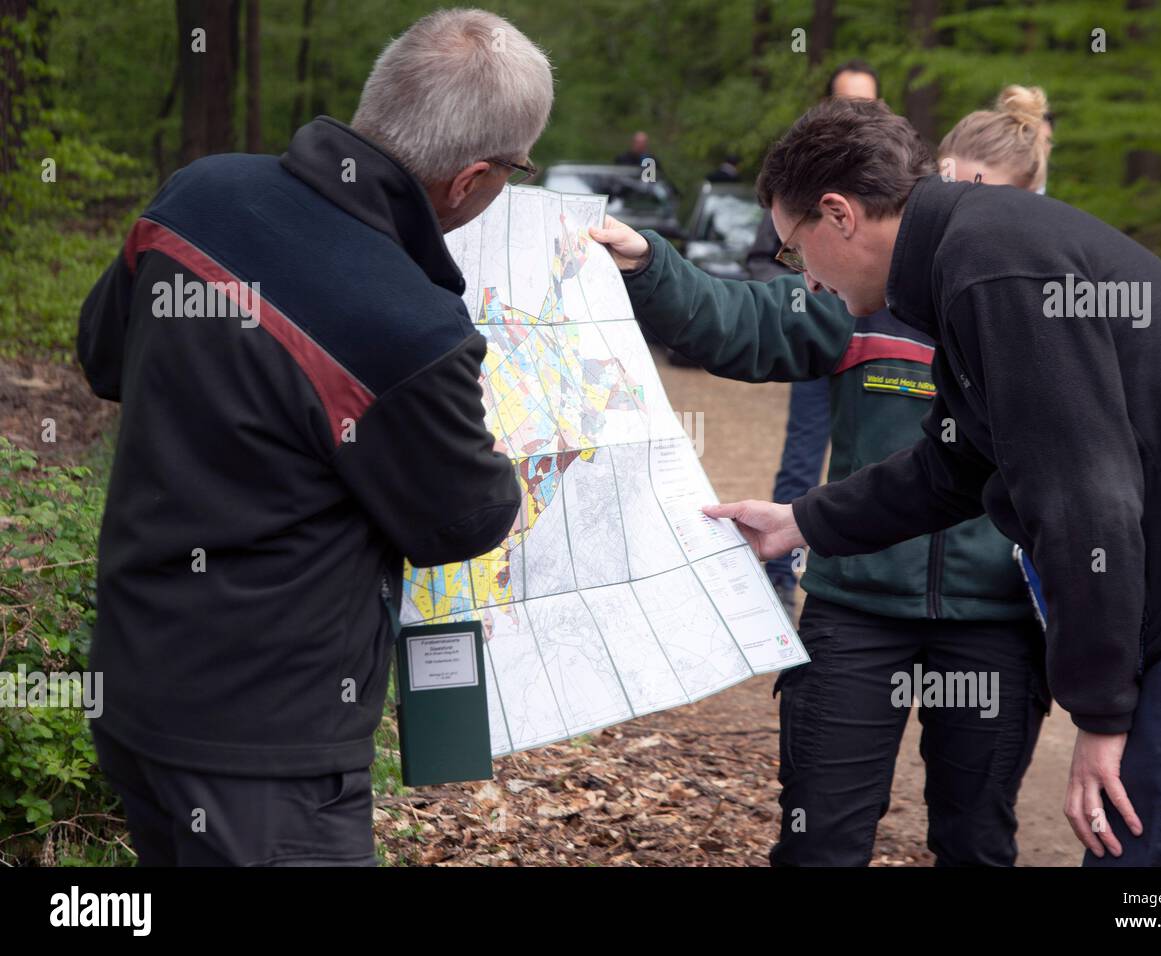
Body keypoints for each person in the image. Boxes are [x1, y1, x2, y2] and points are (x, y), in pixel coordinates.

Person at [697, 96, 1161, 867]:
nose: (805, 280)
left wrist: (1102, 715)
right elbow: (955, 461)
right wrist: (803, 522)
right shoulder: (967, 254)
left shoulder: (992, 266)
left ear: (839, 215)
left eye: (793, 252)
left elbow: (1086, 502)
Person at [76, 8, 552, 866]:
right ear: (470, 178)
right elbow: (462, 522)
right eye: (516, 171)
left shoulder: (197, 193)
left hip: (132, 684)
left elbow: (104, 358)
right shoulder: (412, 328)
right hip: (268, 758)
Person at [590, 86, 1058, 867]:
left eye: (992, 200)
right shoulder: (864, 291)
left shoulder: (1041, 300)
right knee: (821, 839)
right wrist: (648, 265)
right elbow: (744, 322)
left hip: (995, 621)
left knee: (976, 840)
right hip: (857, 610)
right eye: (954, 188)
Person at [754, 59, 881, 615]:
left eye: (869, 104)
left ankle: (861, 575)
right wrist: (810, 294)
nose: (859, 112)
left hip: (876, 349)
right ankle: (780, 575)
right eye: (848, 102)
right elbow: (763, 260)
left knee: (879, 460)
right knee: (804, 454)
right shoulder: (797, 176)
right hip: (819, 344)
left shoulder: (888, 180)